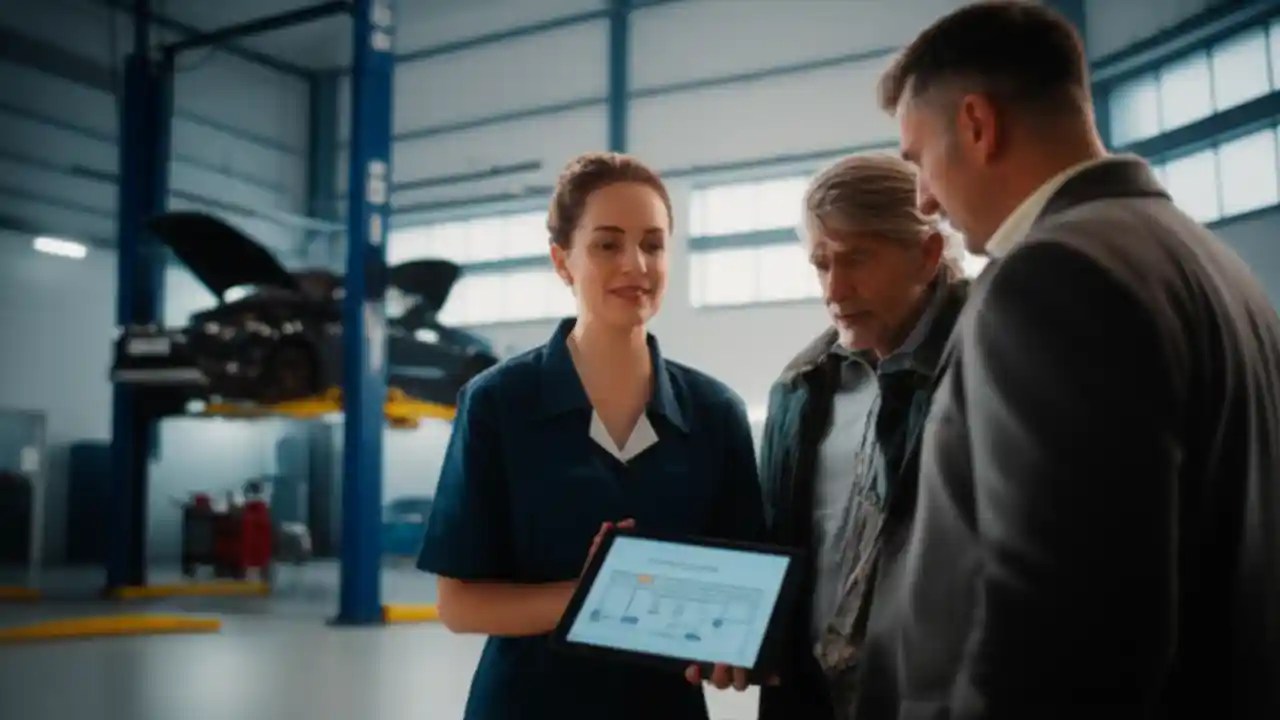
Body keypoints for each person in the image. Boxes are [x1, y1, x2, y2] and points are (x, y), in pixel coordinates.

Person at [858, 2, 1280, 718]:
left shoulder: (1052, 280)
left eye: (918, 161)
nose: (924, 201)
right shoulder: (1214, 266)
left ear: (977, 125)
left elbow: (1061, 639)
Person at [416, 151, 767, 720]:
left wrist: (736, 648)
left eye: (653, 244)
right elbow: (459, 605)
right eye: (608, 244)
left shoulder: (715, 413)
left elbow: (741, 592)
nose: (637, 264)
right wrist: (598, 594)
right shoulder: (498, 404)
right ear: (563, 261)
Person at [688, 154, 972, 718]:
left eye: (856, 259)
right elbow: (781, 551)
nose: (834, 290)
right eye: (821, 265)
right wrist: (737, 635)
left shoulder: (988, 365)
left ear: (928, 253)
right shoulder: (798, 390)